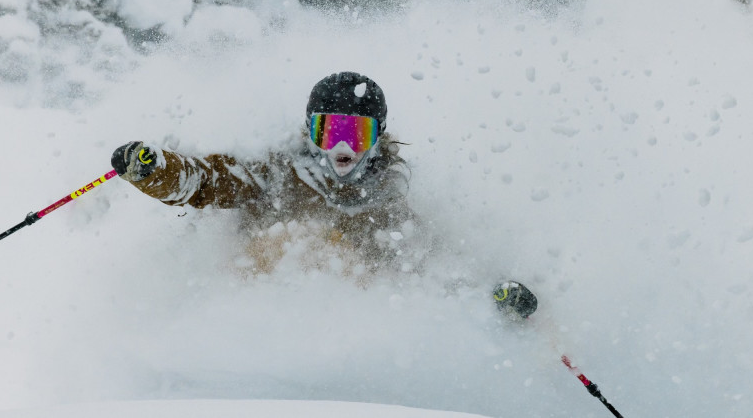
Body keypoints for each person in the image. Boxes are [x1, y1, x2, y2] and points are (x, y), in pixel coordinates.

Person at [111, 71, 539, 315]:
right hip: (255, 304)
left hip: (334, 320)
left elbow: (432, 262)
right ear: (310, 131)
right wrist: (156, 170)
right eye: (329, 131)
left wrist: (493, 294)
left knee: (363, 256)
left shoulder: (388, 200)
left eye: (358, 133)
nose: (341, 148)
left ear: (378, 136)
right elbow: (208, 181)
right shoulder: (275, 172)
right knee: (298, 238)